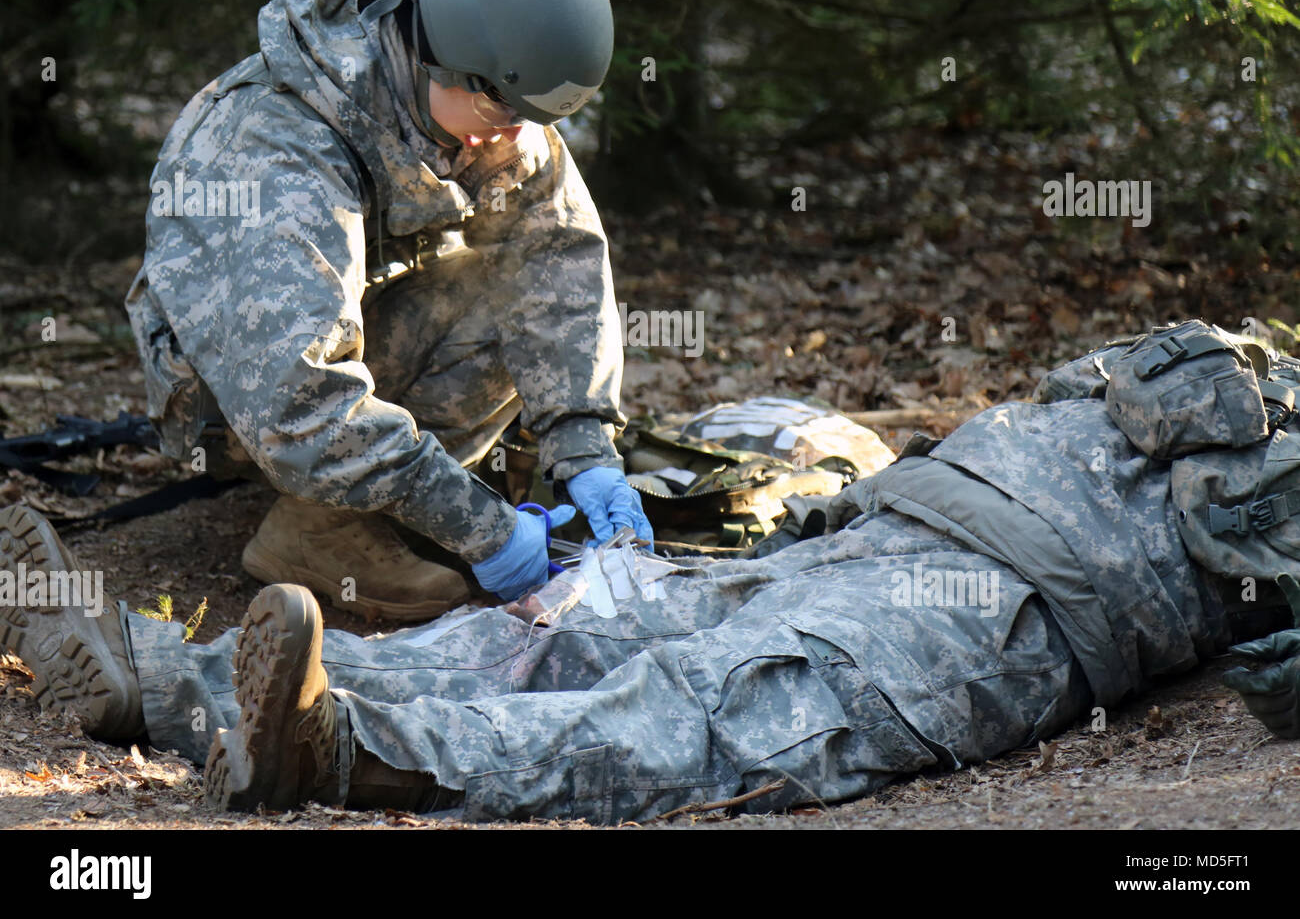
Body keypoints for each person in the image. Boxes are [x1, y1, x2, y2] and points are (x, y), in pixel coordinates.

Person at [5, 321, 1299, 822]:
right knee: (557, 637)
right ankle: (161, 689)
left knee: (691, 713)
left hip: (1009, 622)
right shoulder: (1243, 355)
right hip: (881, 536)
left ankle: (337, 752)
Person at [123, 0, 652, 622]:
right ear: (443, 54)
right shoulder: (278, 140)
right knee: (321, 423)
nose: (520, 131)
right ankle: (321, 529)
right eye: (506, 105)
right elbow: (297, 402)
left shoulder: (487, 102)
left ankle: (396, 496)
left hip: (359, 333)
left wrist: (586, 445)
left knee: (513, 292)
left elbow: (559, 262)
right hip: (241, 405)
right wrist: (484, 529)